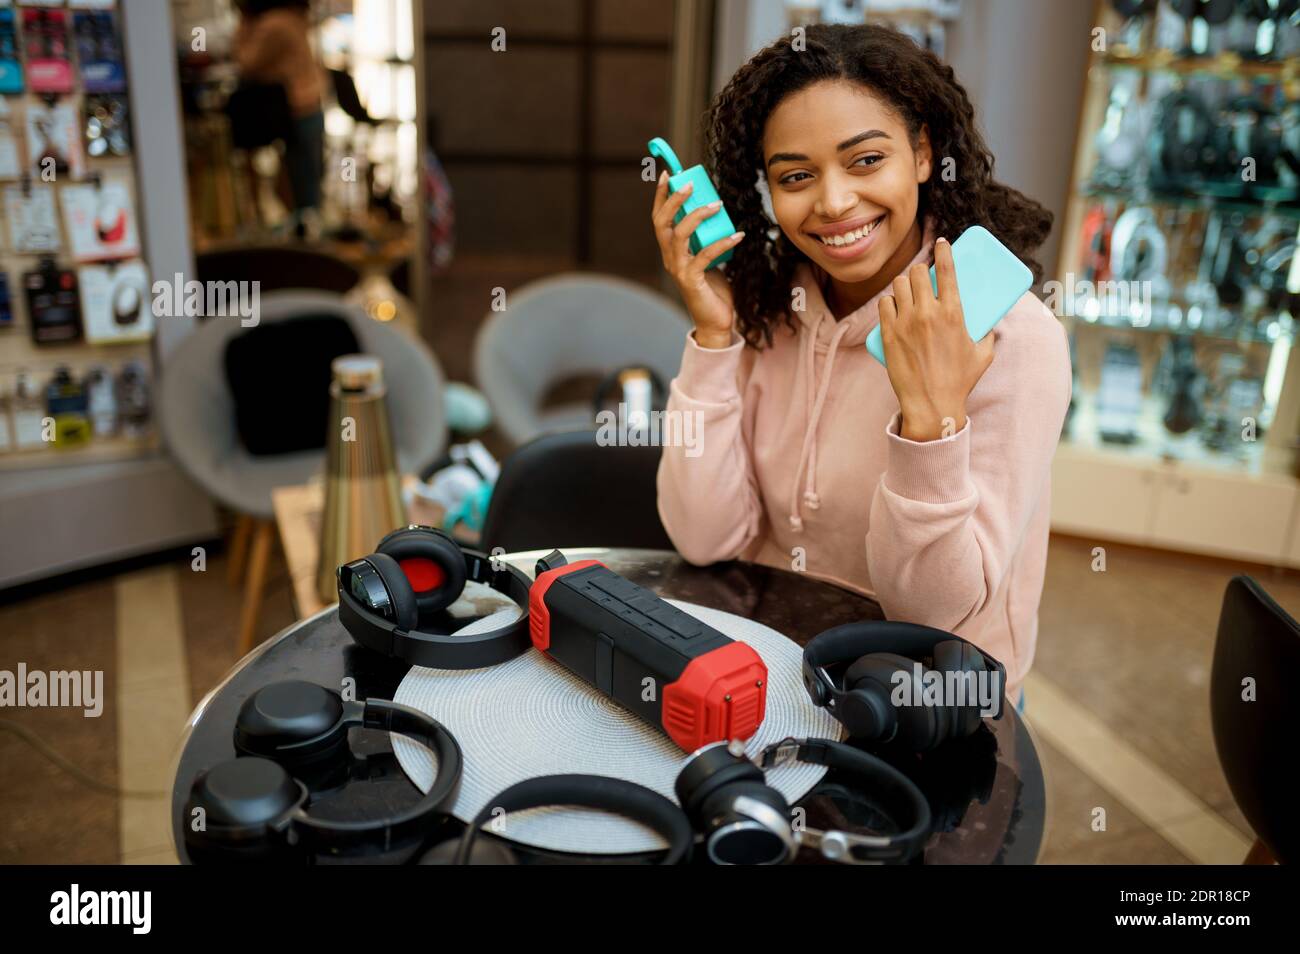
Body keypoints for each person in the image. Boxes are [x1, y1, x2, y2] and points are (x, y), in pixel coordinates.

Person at [652, 24, 1071, 710]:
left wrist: (929, 421)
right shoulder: (766, 308)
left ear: (924, 154)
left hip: (927, 709)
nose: (835, 202)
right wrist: (713, 335)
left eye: (866, 161)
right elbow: (703, 538)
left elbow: (932, 616)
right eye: (796, 176)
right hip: (775, 670)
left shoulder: (1015, 339)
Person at [233, 0, 324, 230]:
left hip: (294, 108)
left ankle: (304, 243)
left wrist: (244, 25)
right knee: (304, 183)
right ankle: (307, 240)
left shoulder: (273, 25)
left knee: (299, 186)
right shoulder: (292, 17)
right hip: (308, 104)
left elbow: (246, 62)